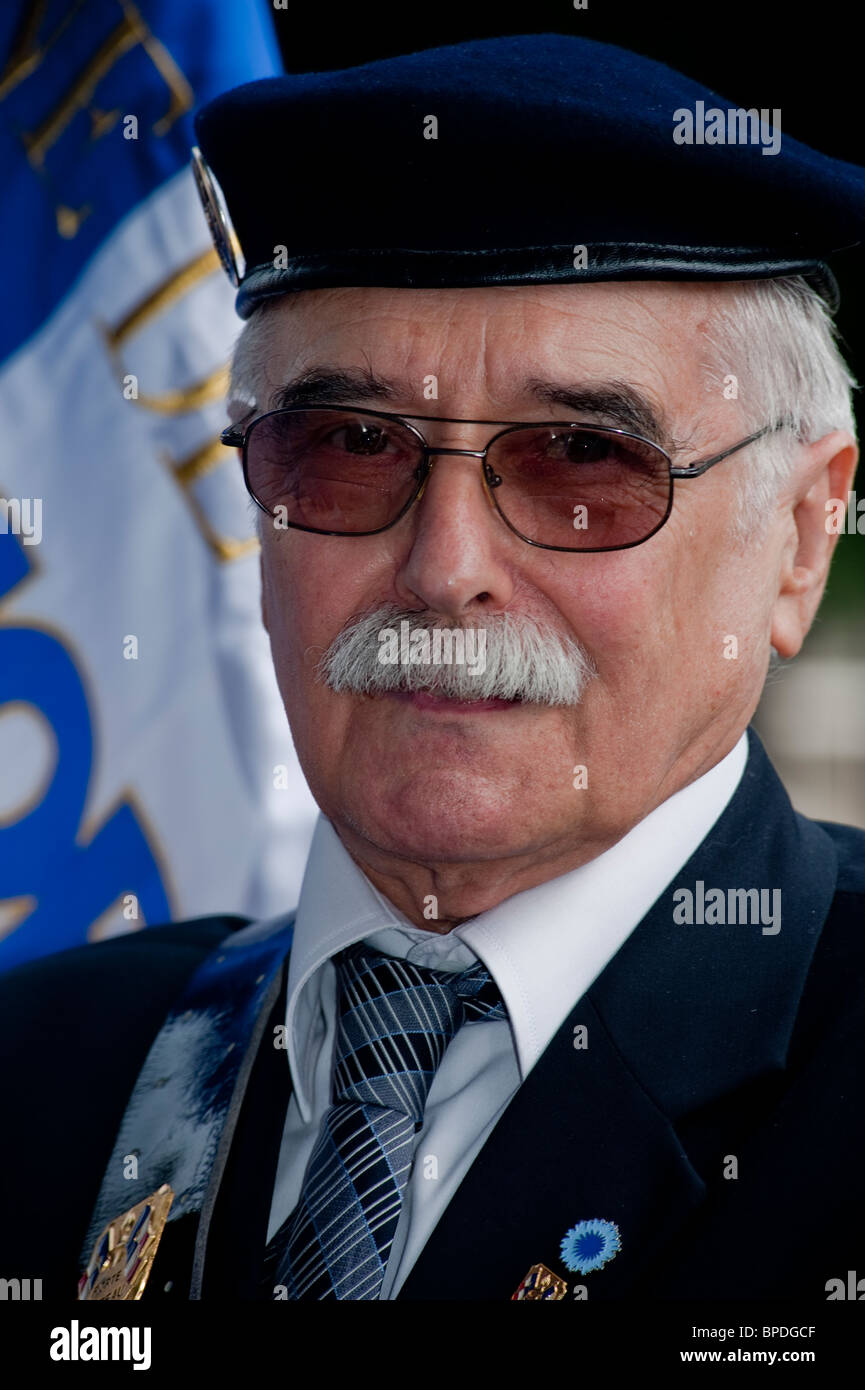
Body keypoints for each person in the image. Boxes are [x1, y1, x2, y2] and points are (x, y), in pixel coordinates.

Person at [1, 31, 864, 1304]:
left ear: (797, 542)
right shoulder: (38, 1077)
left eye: (579, 459)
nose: (443, 565)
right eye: (349, 444)